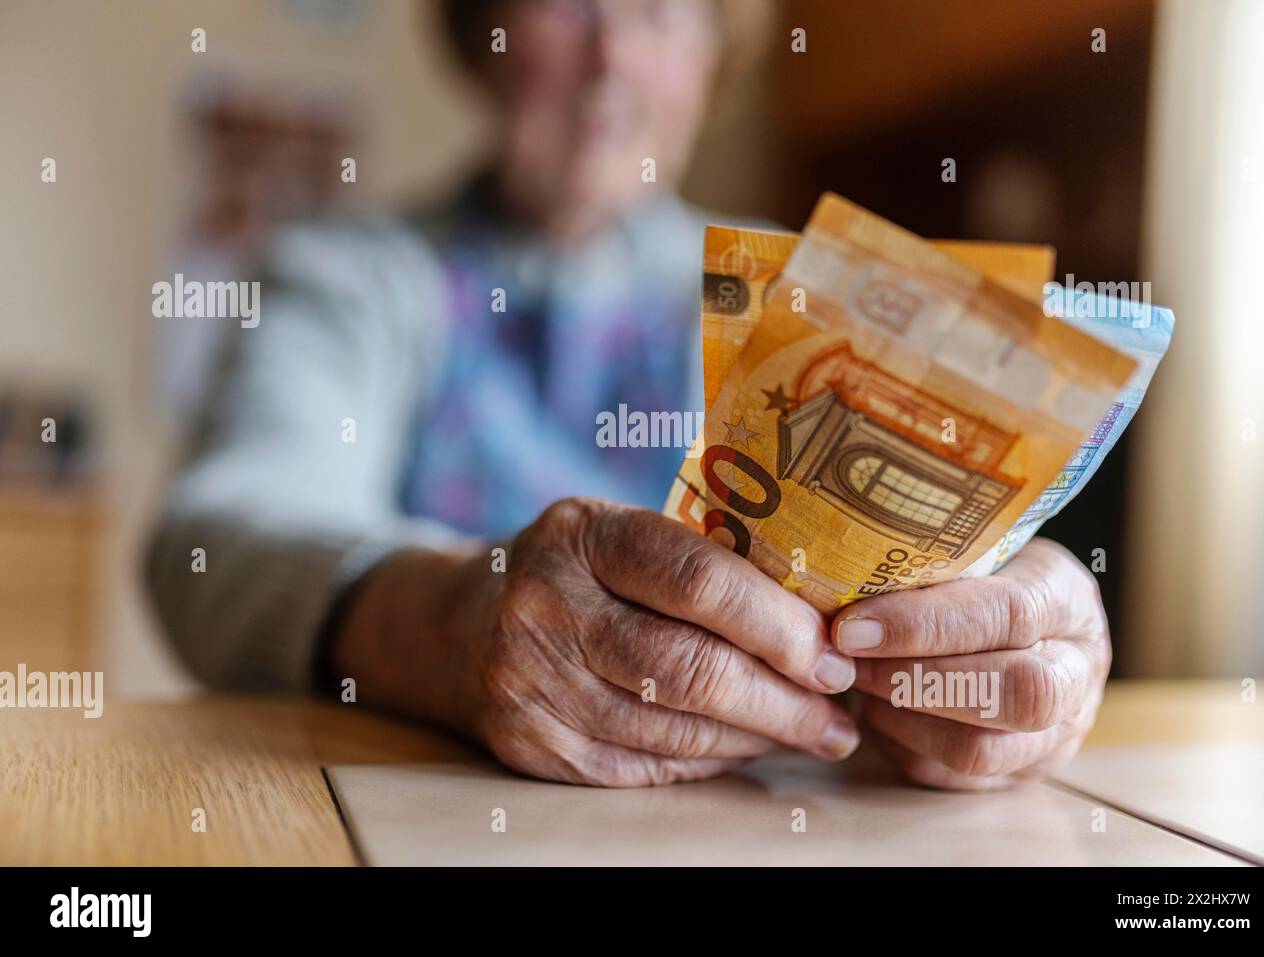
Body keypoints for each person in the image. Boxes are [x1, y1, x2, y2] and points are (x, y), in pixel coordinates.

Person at [147, 0, 1111, 789]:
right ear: (482, 36)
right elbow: (210, 541)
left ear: (711, 63)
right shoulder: (352, 271)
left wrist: (1025, 636)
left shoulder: (803, 292)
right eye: (566, 4)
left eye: (662, 9)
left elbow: (935, 580)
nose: (611, 55)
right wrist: (454, 625)